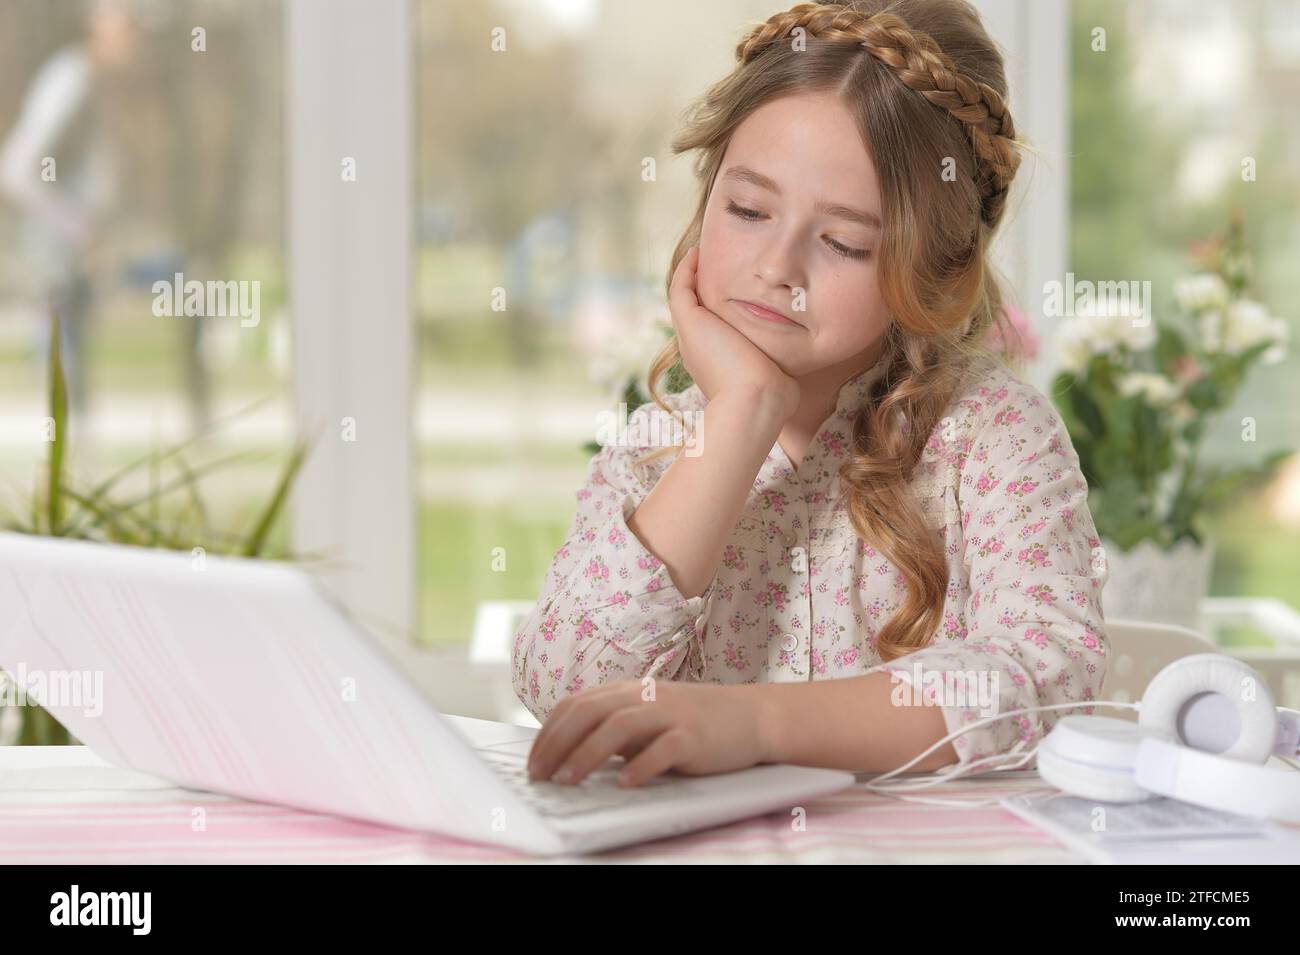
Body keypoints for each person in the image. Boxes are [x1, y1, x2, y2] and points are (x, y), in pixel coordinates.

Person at [515, 0, 1109, 788]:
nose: (777, 266)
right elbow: (564, 688)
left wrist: (757, 723)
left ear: (934, 270)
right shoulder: (657, 450)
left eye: (845, 242)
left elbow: (1050, 674)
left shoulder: (992, 438)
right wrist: (741, 412)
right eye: (749, 209)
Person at [0, 0, 136, 416]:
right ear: (100, 28)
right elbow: (17, 169)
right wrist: (75, 224)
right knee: (61, 385)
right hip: (53, 261)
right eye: (129, 28)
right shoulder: (70, 80)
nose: (137, 42)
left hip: (71, 263)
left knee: (74, 388)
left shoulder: (95, 83)